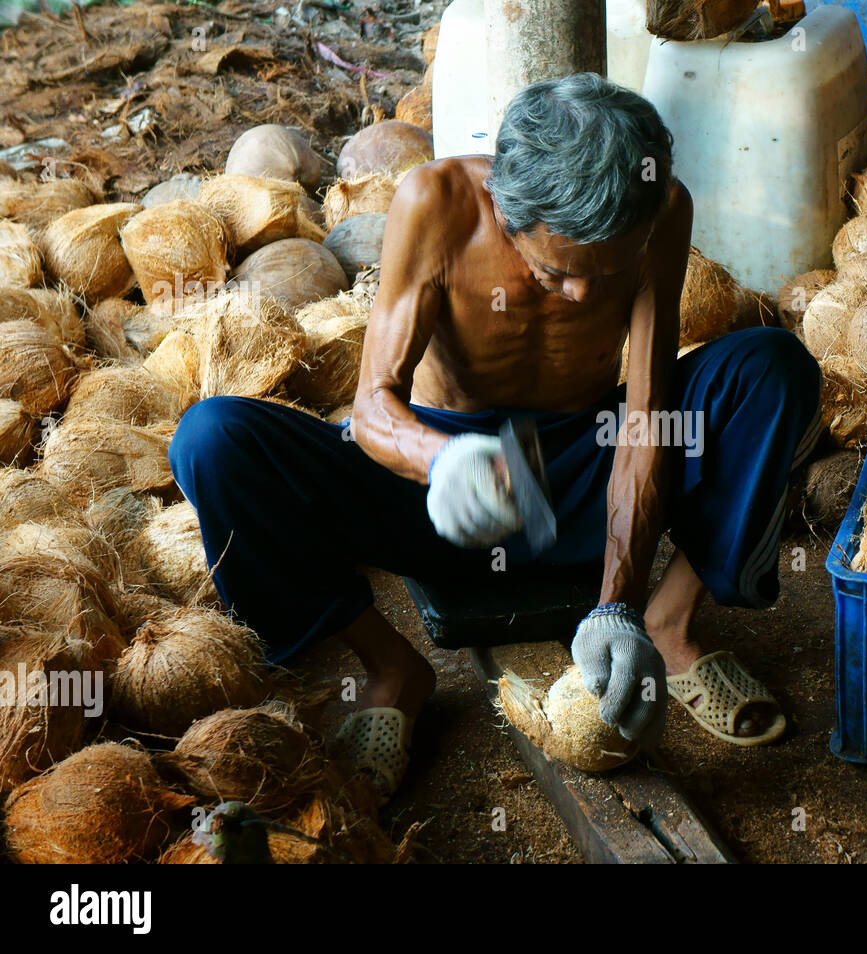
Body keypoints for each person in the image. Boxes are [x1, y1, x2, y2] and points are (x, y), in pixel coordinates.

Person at [169, 73, 822, 800]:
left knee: (772, 369)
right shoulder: (438, 201)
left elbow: (647, 417)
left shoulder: (659, 206)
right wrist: (446, 463)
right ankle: (390, 667)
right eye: (553, 272)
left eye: (606, 275)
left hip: (578, 468)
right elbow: (374, 406)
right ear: (508, 213)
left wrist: (618, 607)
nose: (581, 294)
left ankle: (666, 627)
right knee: (212, 438)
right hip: (431, 488)